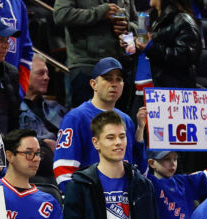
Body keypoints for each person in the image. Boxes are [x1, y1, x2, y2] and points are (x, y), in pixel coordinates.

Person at [63, 110, 168, 219]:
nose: (118, 142)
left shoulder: (144, 186)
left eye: (122, 136)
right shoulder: (79, 186)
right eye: (110, 137)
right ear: (96, 143)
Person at [53, 0, 138, 109]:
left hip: (118, 68)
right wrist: (99, 13)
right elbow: (60, 15)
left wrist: (127, 27)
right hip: (86, 66)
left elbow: (138, 25)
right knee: (86, 123)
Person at [53, 57, 147, 192]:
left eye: (119, 79)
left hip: (122, 200)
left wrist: (140, 132)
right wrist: (80, 202)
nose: (114, 84)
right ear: (93, 84)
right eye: (108, 78)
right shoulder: (76, 118)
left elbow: (139, 171)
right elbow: (63, 169)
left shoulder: (126, 120)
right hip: (92, 200)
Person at [144, 0, 202, 88]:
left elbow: (186, 56)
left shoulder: (183, 20)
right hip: (146, 85)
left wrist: (151, 47)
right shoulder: (151, 18)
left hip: (171, 92)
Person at [18, 54, 65, 178]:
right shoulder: (14, 109)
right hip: (36, 166)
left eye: (47, 73)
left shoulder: (55, 107)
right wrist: (42, 144)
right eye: (41, 73)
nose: (47, 78)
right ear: (26, 74)